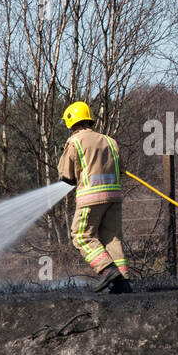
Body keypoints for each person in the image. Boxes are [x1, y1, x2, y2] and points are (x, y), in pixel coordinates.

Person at [57, 101, 133, 294]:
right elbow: (120, 169)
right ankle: (122, 282)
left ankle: (107, 269)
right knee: (112, 238)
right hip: (114, 197)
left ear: (71, 122)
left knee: (81, 235)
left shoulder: (74, 142)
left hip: (90, 198)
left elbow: (66, 174)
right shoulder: (110, 141)